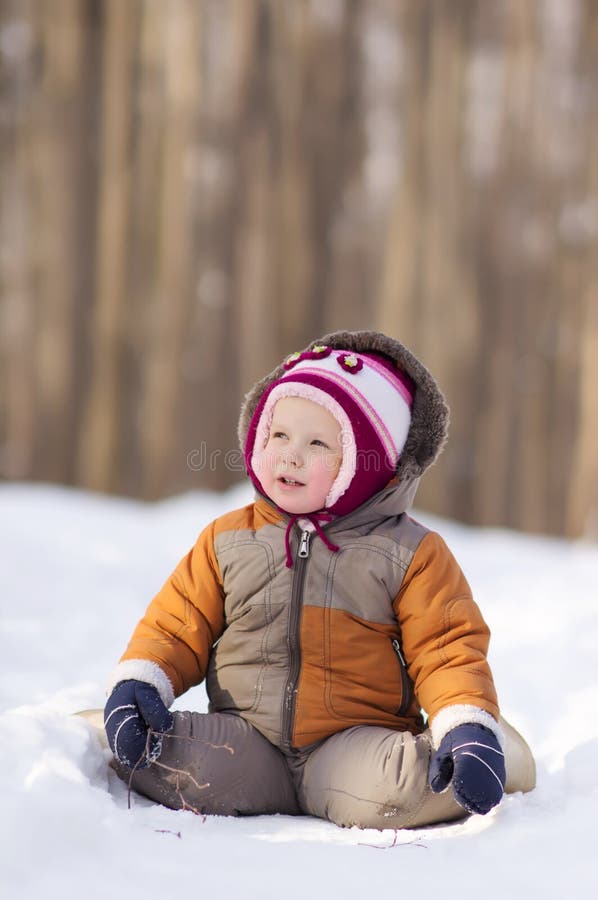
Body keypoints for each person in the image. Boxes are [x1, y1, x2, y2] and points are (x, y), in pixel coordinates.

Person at [102, 330, 535, 829]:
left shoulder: (410, 554)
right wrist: (141, 680)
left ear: (367, 464)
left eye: (317, 444)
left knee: (405, 792)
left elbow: (446, 648)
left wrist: (463, 720)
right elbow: (177, 624)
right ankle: (109, 730)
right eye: (279, 435)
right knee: (158, 758)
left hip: (354, 749)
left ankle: (488, 748)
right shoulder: (228, 539)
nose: (290, 455)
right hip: (245, 742)